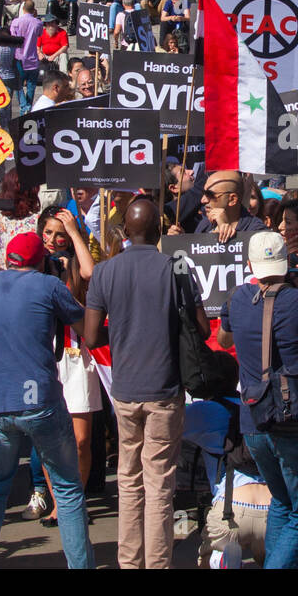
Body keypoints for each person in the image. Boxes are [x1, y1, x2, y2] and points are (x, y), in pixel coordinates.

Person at [83, 199, 203, 568]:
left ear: (125, 233)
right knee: (159, 485)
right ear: (158, 232)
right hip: (166, 389)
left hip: (126, 389)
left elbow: (90, 338)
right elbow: (199, 329)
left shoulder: (104, 273)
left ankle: (130, 562)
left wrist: (121, 332)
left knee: (129, 481)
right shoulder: (177, 269)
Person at [0, 233, 92, 568]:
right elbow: (86, 329)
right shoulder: (49, 286)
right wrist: (64, 280)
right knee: (67, 491)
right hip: (40, 401)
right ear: (42, 261)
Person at [217, 231, 298, 569]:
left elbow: (224, 341)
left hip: (253, 419)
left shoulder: (238, 298)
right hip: (293, 418)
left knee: (282, 500)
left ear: (251, 264)